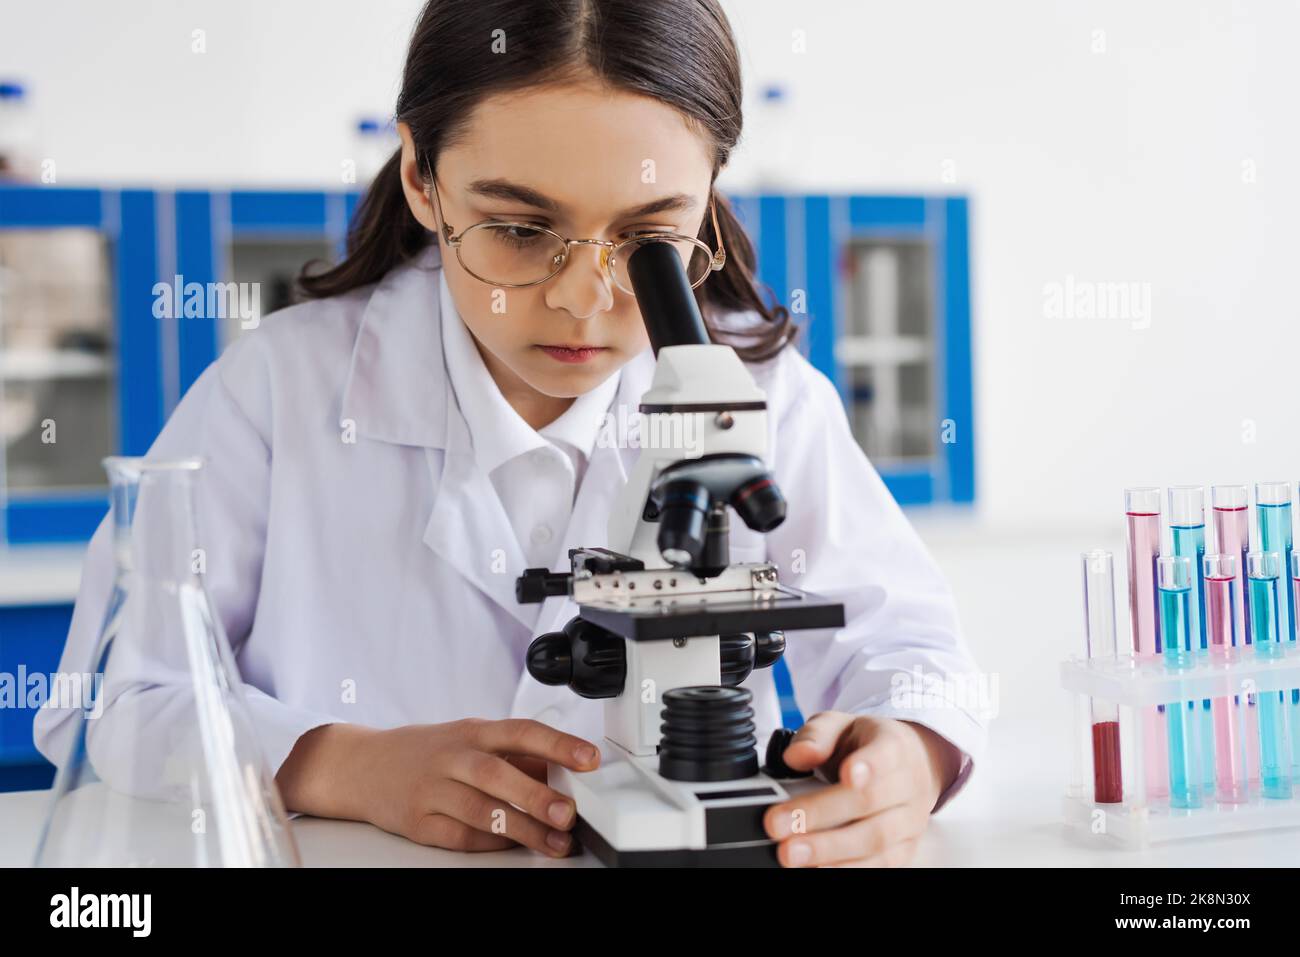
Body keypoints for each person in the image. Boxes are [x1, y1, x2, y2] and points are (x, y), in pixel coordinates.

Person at [35, 0, 987, 867]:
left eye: (649, 241)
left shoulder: (764, 397)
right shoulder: (277, 389)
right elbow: (106, 697)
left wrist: (906, 750)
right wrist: (341, 764)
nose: (583, 300)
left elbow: (916, 652)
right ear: (421, 176)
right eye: (522, 232)